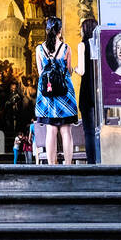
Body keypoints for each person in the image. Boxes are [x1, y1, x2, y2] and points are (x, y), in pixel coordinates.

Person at [35, 15, 78, 166]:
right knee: (66, 131)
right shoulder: (66, 48)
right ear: (60, 30)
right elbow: (68, 71)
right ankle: (68, 165)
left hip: (47, 93)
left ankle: (52, 166)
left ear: (47, 30)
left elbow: (41, 73)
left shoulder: (39, 49)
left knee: (51, 130)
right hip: (65, 93)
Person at [76, 16, 98, 164]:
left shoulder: (82, 45)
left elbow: (82, 71)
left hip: (87, 90)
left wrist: (75, 69)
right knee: (100, 129)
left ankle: (92, 163)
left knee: (89, 131)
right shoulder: (100, 45)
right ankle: (102, 160)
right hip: (100, 91)